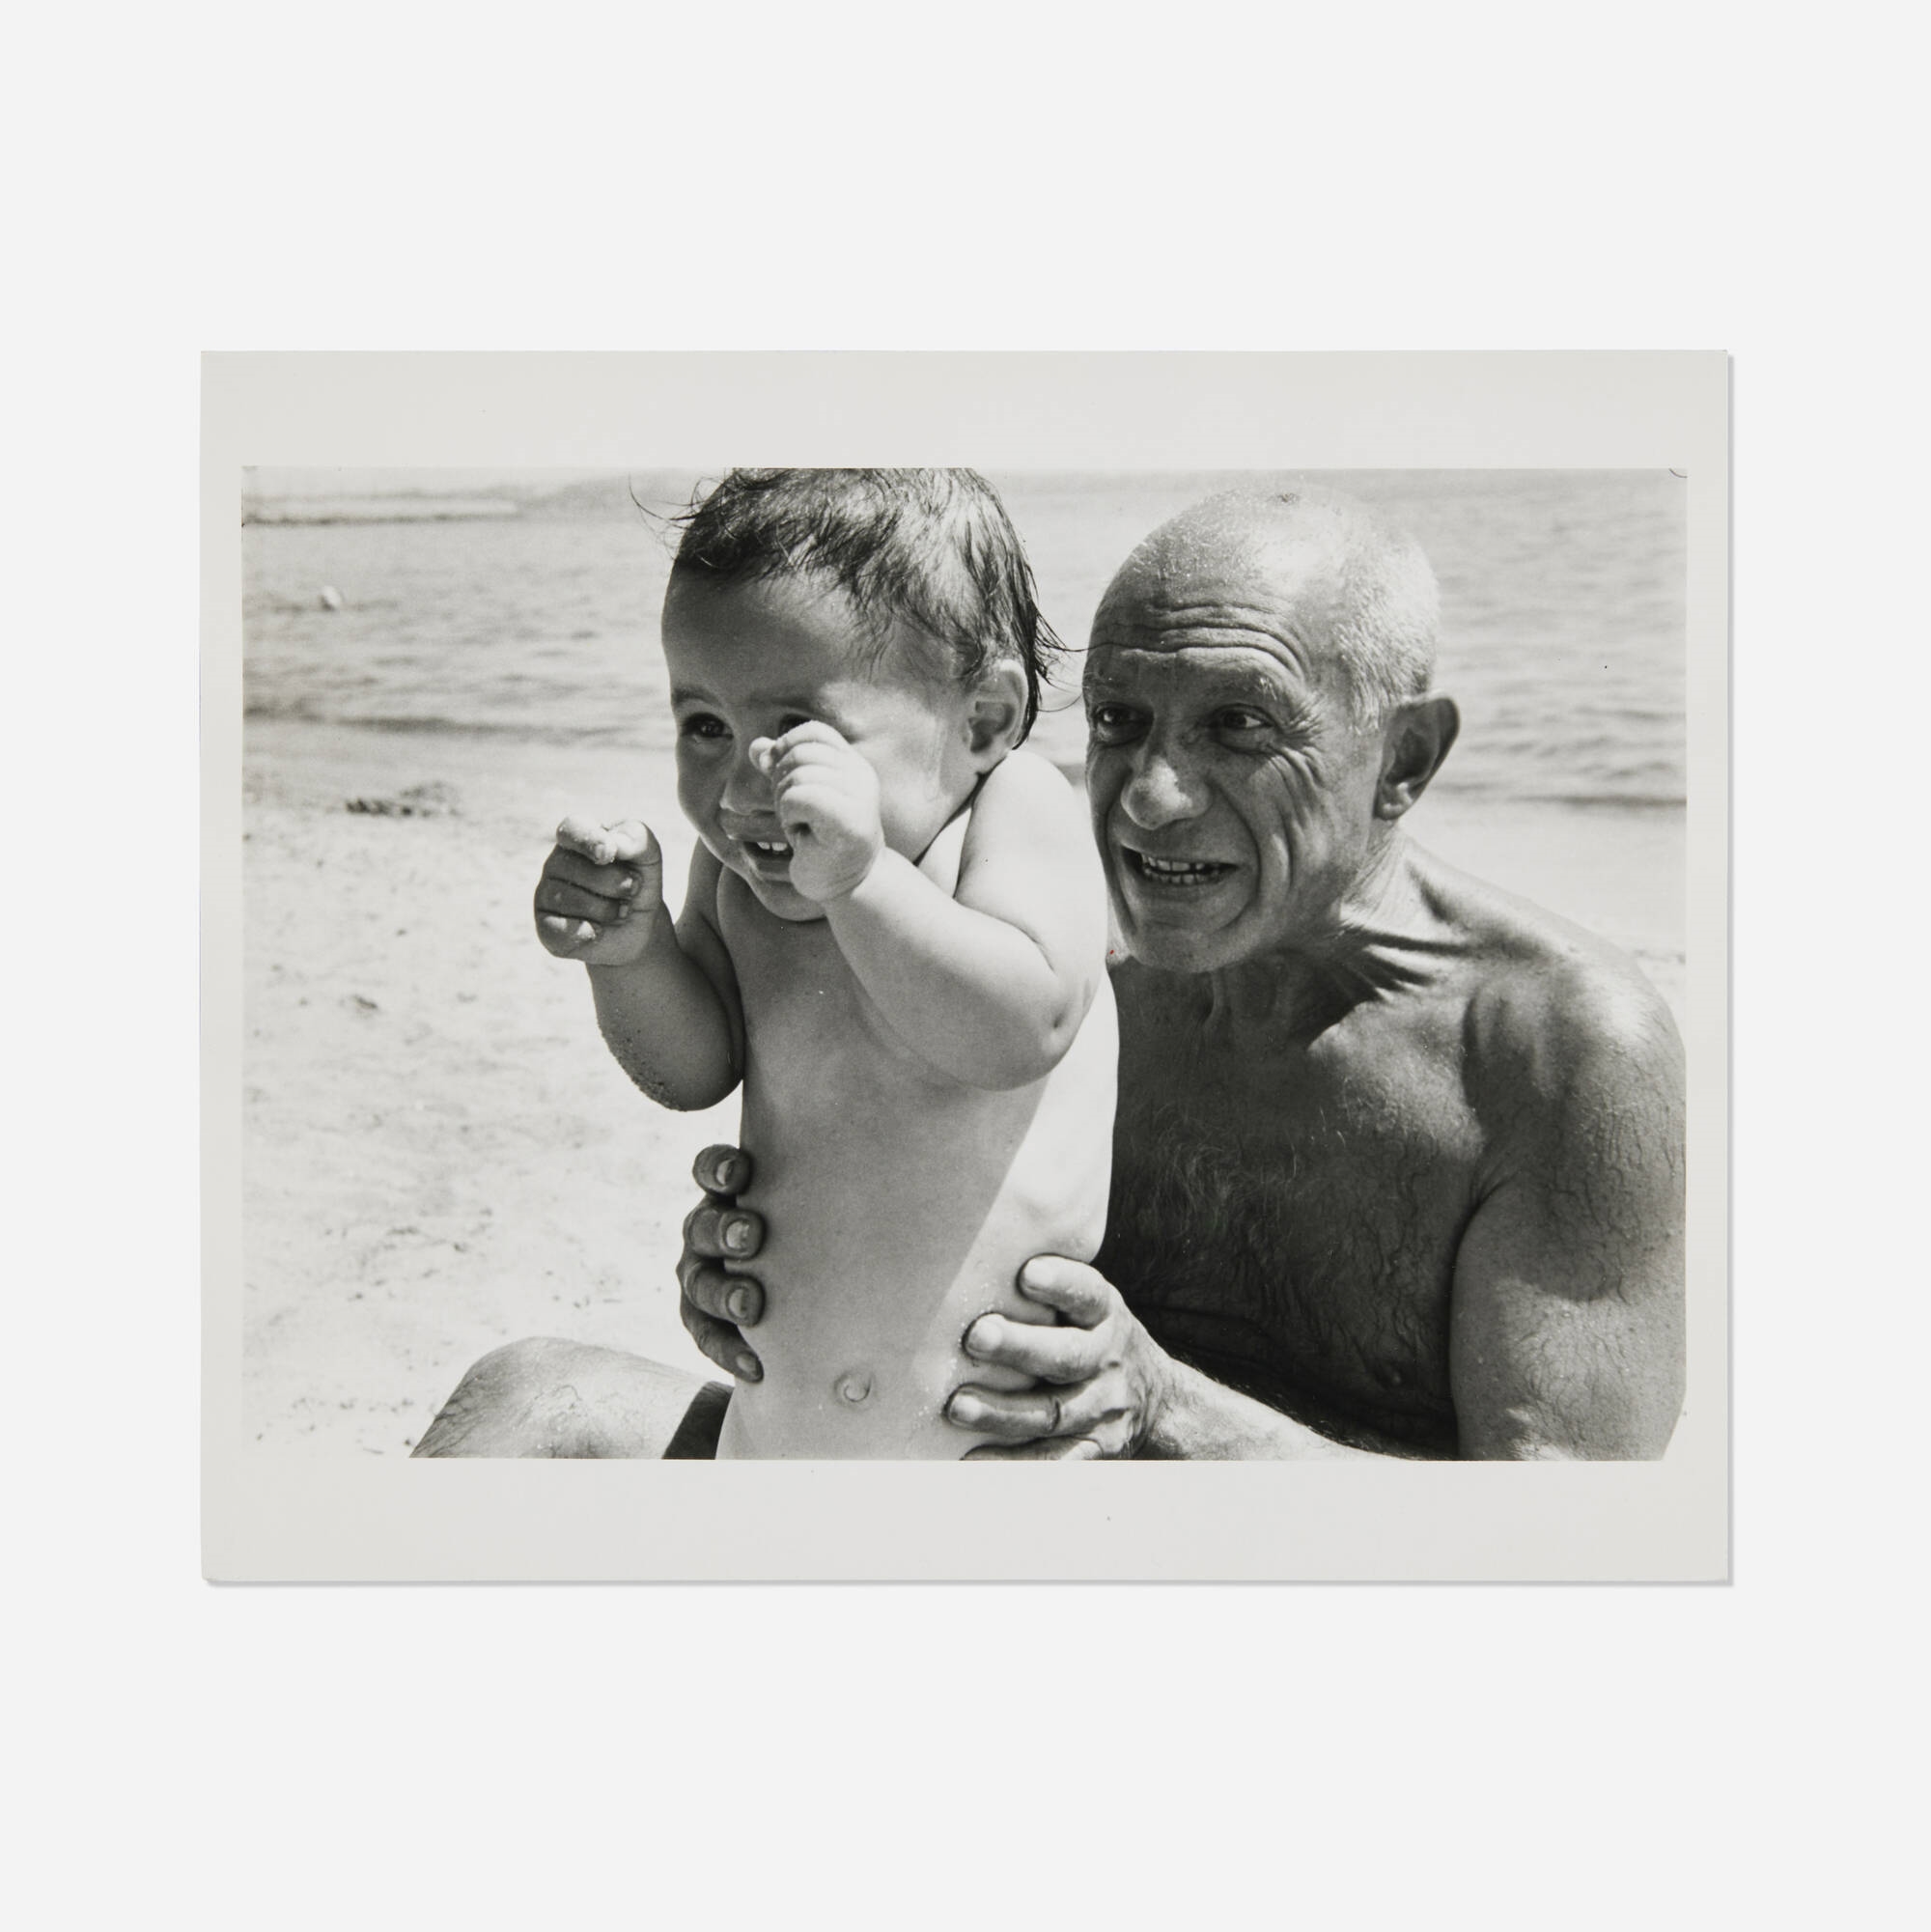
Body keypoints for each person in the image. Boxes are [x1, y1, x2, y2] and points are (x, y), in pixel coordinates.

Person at [418, 483, 1683, 1462]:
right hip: (929, 1471)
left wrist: (1170, 1408)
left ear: (1405, 759)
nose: (1150, 799)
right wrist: (771, 1264)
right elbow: (788, 1075)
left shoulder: (1553, 1050)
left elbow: (1565, 1552)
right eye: (1120, 723)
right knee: (531, 1397)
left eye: (1242, 725)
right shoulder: (1023, 909)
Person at [484, 468, 1115, 1460]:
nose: (742, 785)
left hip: (988, 1450)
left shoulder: (1014, 814)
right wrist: (630, 955)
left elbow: (1020, 1029)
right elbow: (690, 1071)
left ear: (983, 721)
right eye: (704, 727)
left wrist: (860, 883)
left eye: (793, 733)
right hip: (771, 1437)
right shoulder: (735, 881)